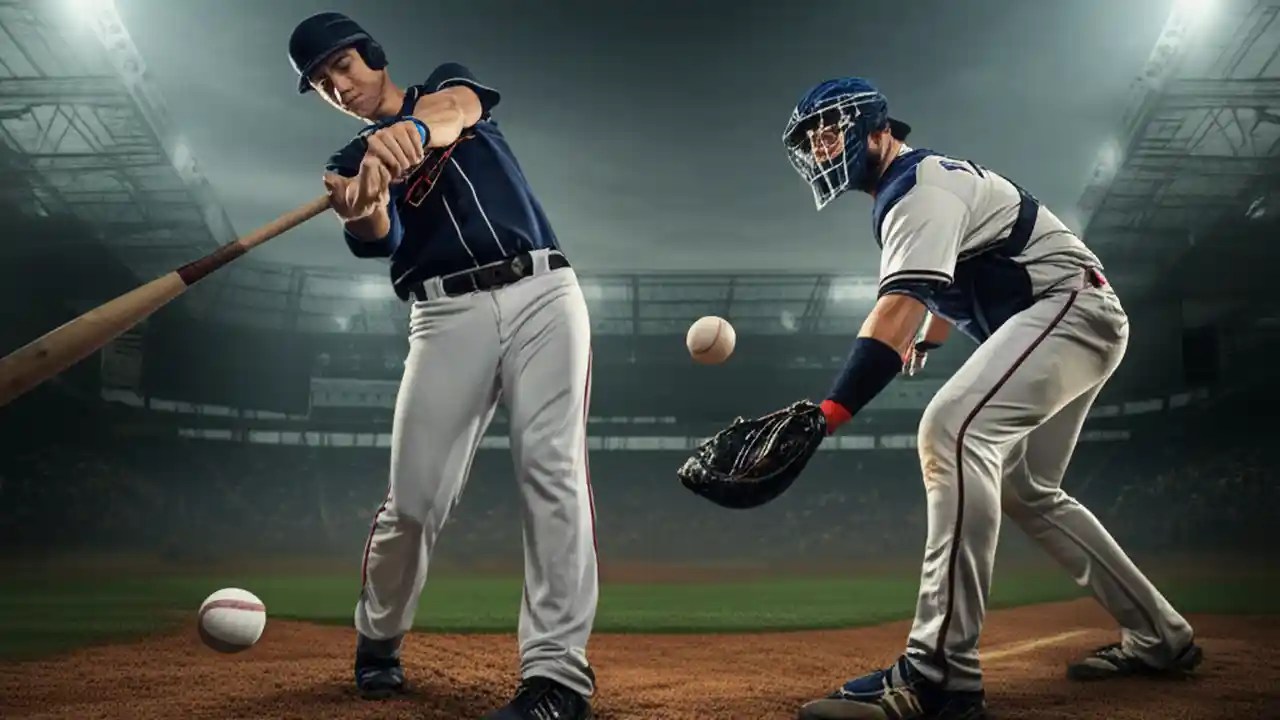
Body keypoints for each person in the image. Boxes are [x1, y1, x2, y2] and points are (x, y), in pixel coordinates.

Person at [778, 77, 1202, 720]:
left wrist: (830, 411)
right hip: (1075, 314)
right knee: (1027, 489)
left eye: (831, 132)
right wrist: (932, 336)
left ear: (878, 130)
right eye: (813, 141)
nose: (822, 148)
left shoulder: (914, 192)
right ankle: (1160, 636)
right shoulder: (919, 185)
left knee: (951, 430)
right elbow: (954, 277)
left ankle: (938, 677)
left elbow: (895, 310)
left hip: (1066, 309)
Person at [287, 13, 598, 720]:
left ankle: (556, 679)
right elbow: (378, 234)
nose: (339, 86)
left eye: (343, 65)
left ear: (372, 54)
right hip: (444, 315)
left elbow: (456, 112)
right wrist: (362, 205)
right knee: (415, 501)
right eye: (322, 82)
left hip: (542, 292)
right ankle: (379, 640)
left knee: (552, 470)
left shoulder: (445, 87)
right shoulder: (348, 161)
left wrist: (413, 134)